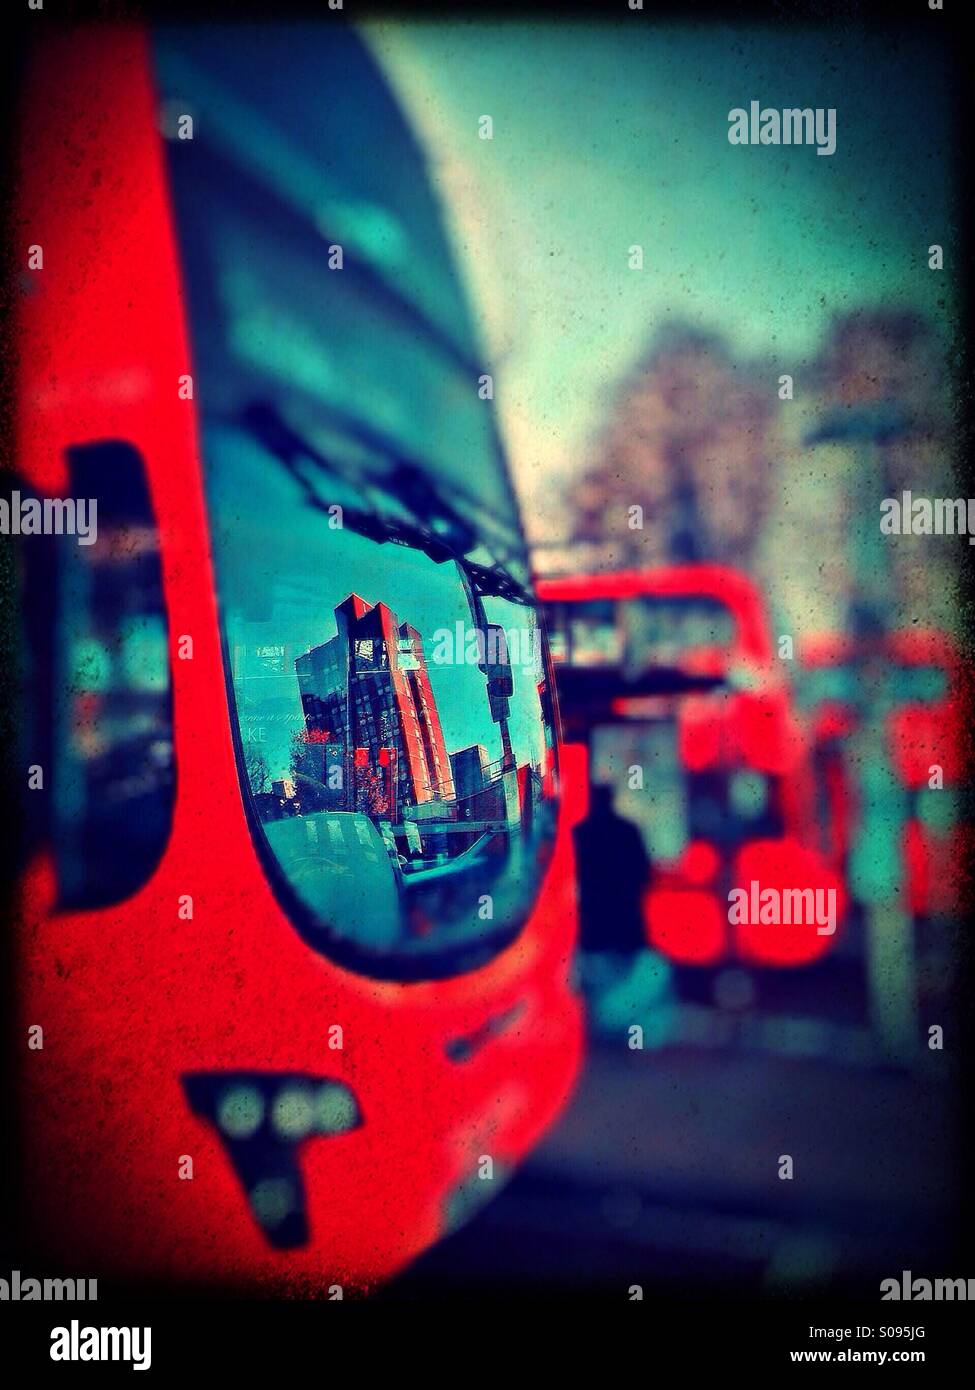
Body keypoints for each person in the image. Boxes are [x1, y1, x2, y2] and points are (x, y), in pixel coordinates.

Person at [572, 783, 651, 954]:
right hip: (626, 913)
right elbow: (643, 871)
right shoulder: (628, 830)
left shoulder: (580, 833)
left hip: (594, 917)